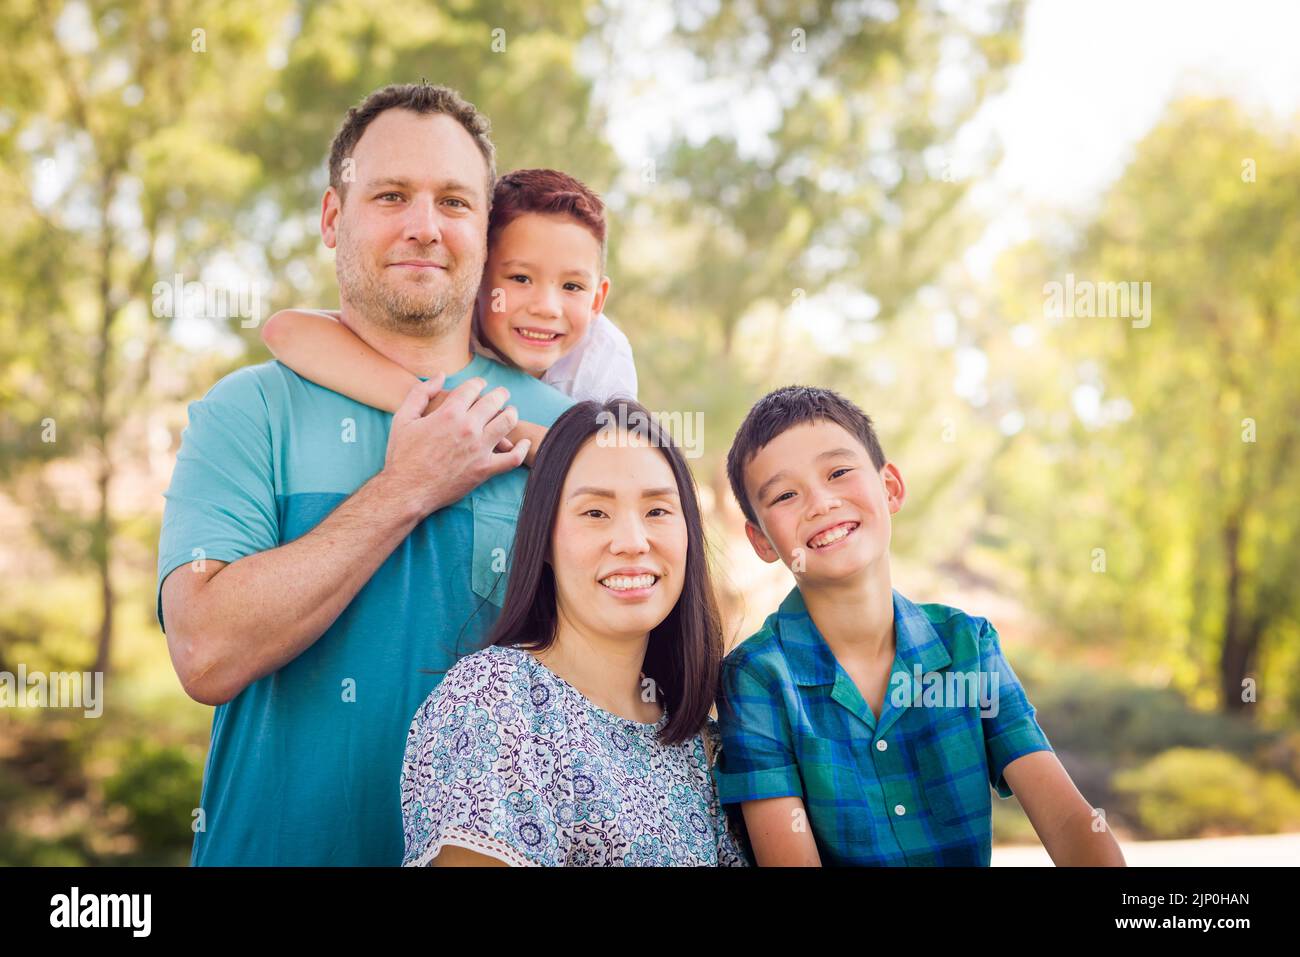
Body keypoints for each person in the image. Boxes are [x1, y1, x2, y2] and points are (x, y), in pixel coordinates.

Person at [156, 83, 572, 865]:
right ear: (331, 218)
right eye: (390, 195)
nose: (424, 226)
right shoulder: (248, 410)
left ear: (486, 231)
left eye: (454, 201)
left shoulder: (563, 428)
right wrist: (405, 489)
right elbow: (205, 651)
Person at [715, 386, 1126, 866]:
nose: (820, 503)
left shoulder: (967, 646)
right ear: (761, 540)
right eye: (786, 495)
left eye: (839, 472)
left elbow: (1070, 824)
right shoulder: (756, 678)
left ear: (890, 488)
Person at [400, 399, 749, 866]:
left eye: (658, 511)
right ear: (544, 539)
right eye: (595, 513)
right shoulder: (494, 701)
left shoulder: (703, 744)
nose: (632, 541)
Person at [259, 168, 635, 466]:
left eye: (572, 288)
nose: (546, 307)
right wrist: (445, 410)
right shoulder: (448, 323)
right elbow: (285, 331)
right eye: (520, 279)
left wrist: (508, 432)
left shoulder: (602, 355)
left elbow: (609, 465)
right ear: (476, 274)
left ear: (598, 299)